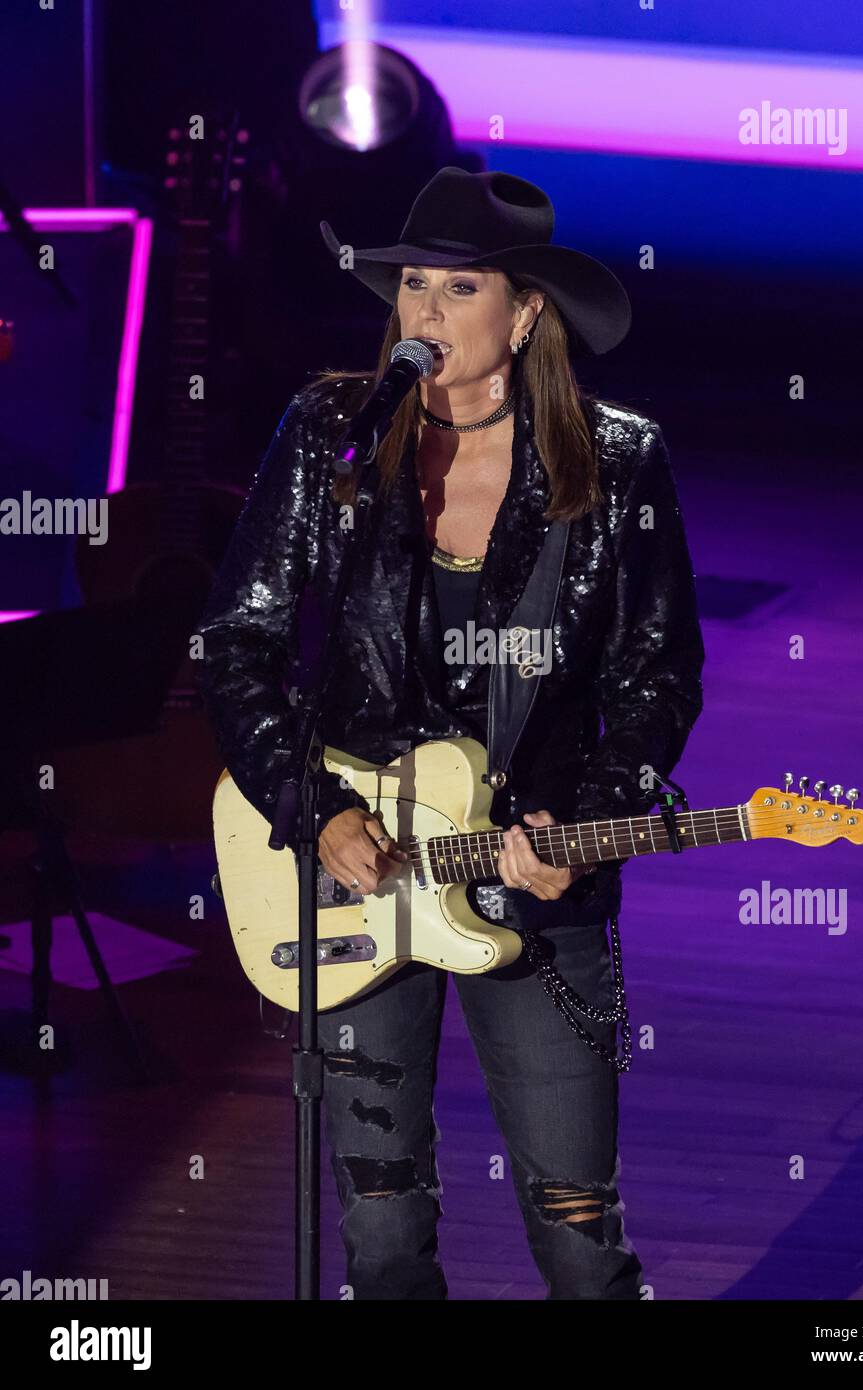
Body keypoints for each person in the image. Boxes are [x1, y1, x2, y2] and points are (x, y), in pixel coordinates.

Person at [198, 167, 705, 1300]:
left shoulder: (619, 462)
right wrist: (310, 806)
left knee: (577, 1229)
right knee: (380, 1232)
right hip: (357, 878)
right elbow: (237, 644)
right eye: (411, 283)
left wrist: (579, 827)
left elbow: (657, 676)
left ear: (526, 314)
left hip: (534, 887)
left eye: (457, 287)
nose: (423, 311)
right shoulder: (334, 432)